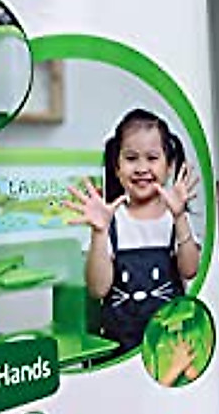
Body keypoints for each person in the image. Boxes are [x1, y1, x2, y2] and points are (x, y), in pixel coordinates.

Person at [64, 108, 201, 354]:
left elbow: (190, 270)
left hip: (169, 346)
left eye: (152, 158)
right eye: (131, 158)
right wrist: (99, 233)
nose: (141, 168)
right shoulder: (110, 220)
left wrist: (180, 217)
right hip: (120, 350)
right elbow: (97, 289)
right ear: (117, 167)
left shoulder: (175, 218)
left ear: (169, 166)